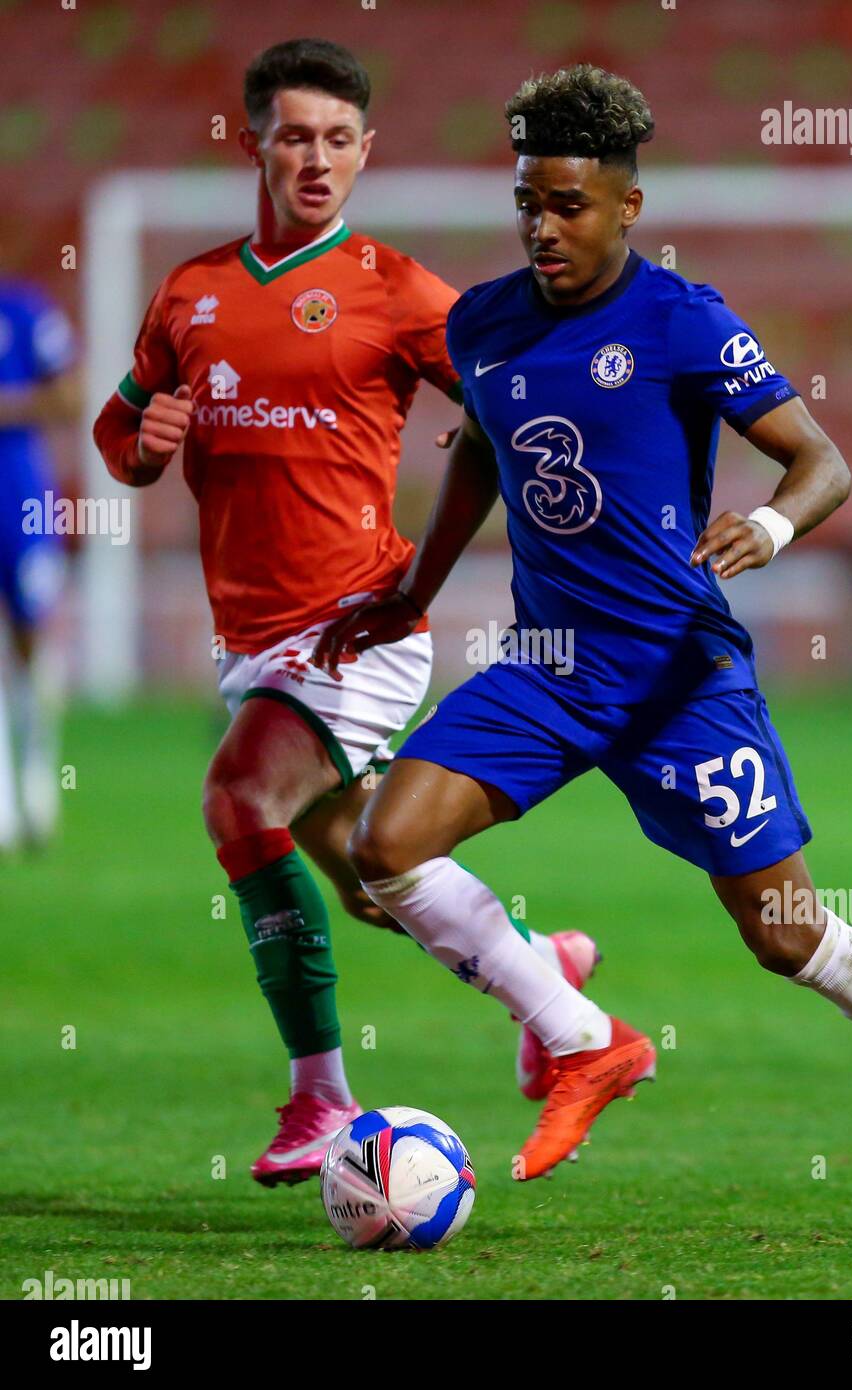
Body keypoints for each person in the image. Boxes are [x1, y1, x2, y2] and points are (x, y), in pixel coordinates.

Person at [315, 64, 852, 1227]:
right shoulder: (483, 321)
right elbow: (479, 457)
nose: (542, 227)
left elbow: (824, 463)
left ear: (626, 207)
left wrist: (768, 521)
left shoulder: (681, 319)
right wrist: (413, 589)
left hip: (674, 675)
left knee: (783, 932)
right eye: (527, 204)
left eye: (568, 206)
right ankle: (580, 1035)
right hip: (549, 665)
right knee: (381, 847)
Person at [93, 38, 595, 1187]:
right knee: (375, 886)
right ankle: (543, 968)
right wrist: (140, 448)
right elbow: (121, 433)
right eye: (293, 136)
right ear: (252, 142)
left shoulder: (396, 288)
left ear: (366, 150)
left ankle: (321, 1099)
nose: (315, 159)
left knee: (237, 797)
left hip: (353, 630)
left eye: (337, 140)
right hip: (253, 645)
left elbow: (514, 407)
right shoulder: (190, 293)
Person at [0, 276, 77, 851]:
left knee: (32, 639)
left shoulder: (25, 308)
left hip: (21, 498)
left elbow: (71, 393)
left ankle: (37, 777)